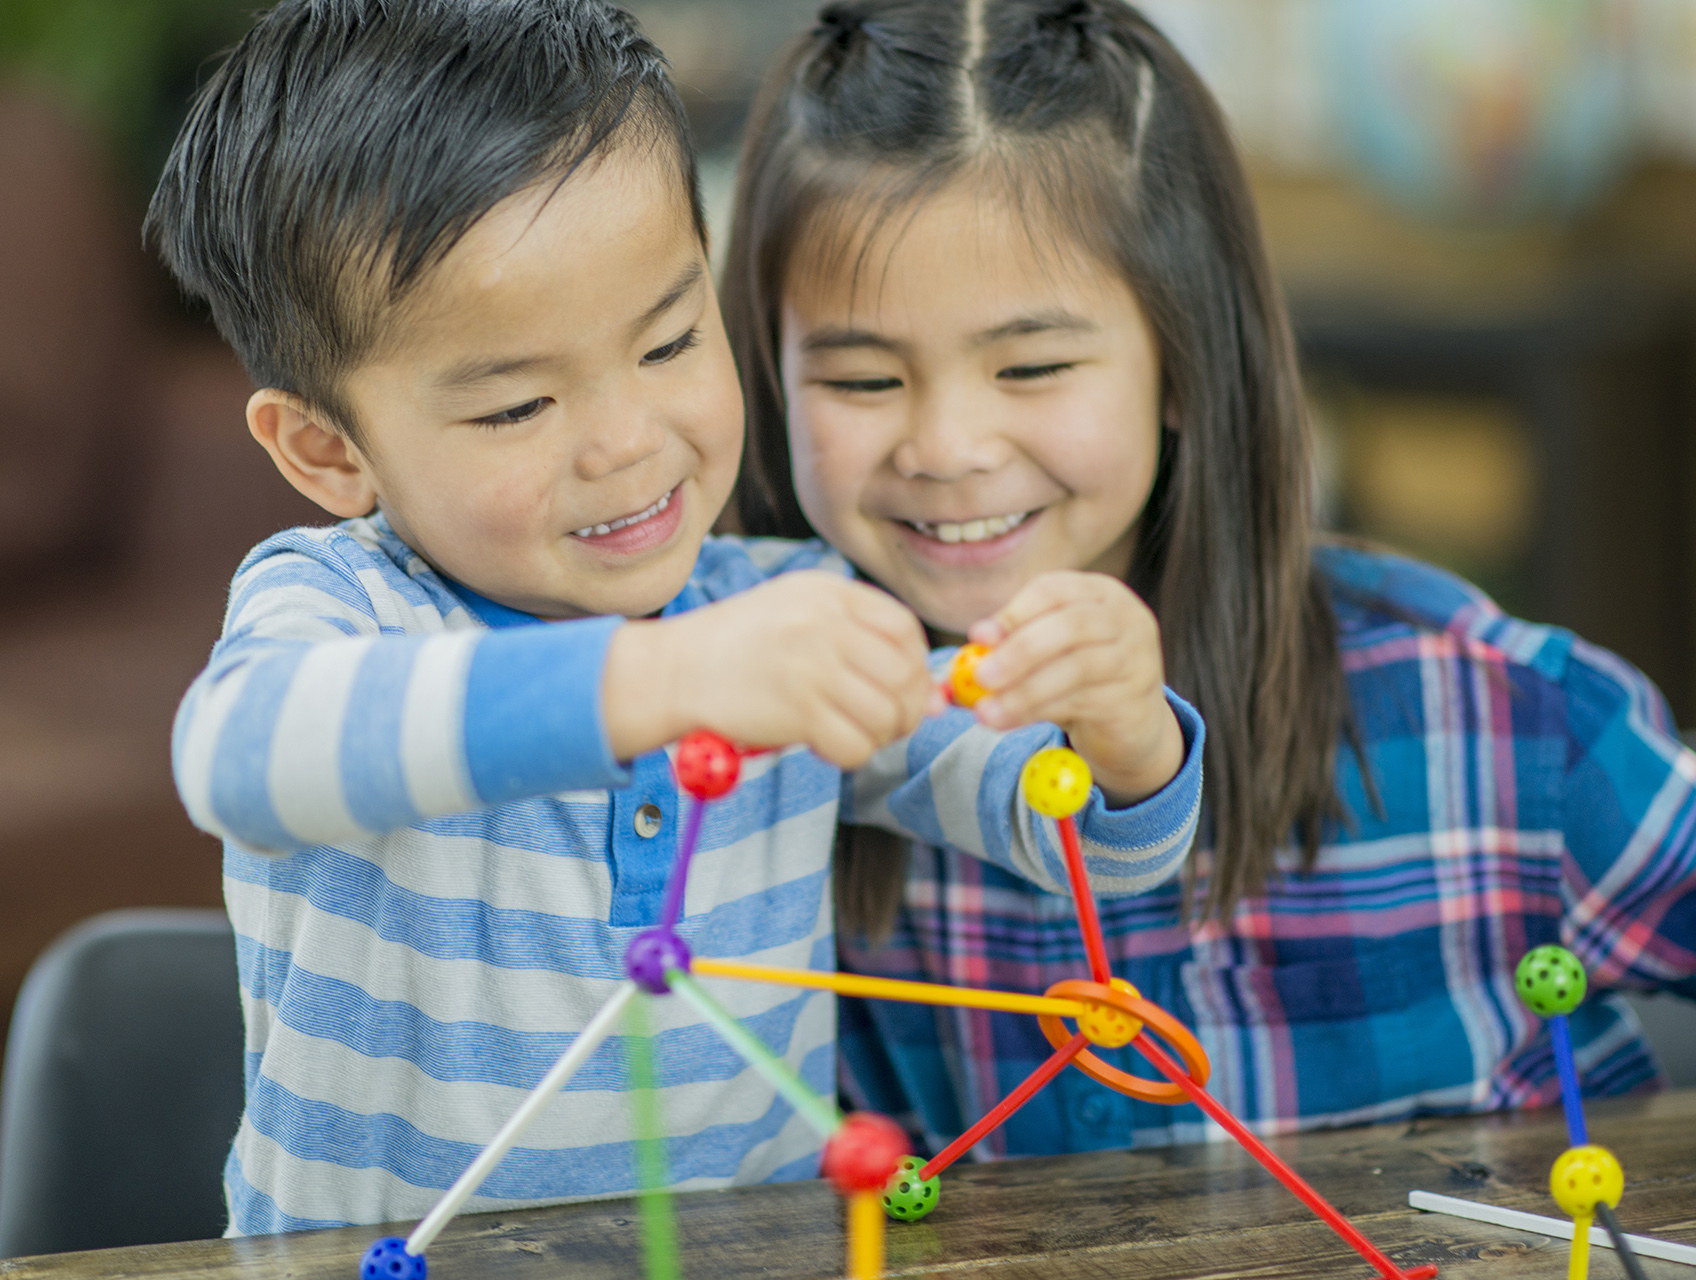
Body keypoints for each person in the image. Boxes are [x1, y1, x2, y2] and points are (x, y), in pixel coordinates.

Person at [721, 0, 1696, 1263]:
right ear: (766, 377)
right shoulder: (766, 755)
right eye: (861, 378)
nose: (948, 446)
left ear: (1182, 360)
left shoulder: (1482, 712)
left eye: (1032, 367)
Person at [147, 0, 1203, 1235]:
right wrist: (657, 679)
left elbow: (1089, 849)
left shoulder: (787, 616)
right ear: (329, 449)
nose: (627, 441)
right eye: (515, 407)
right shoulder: (345, 602)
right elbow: (235, 757)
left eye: (668, 343)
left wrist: (1127, 731)